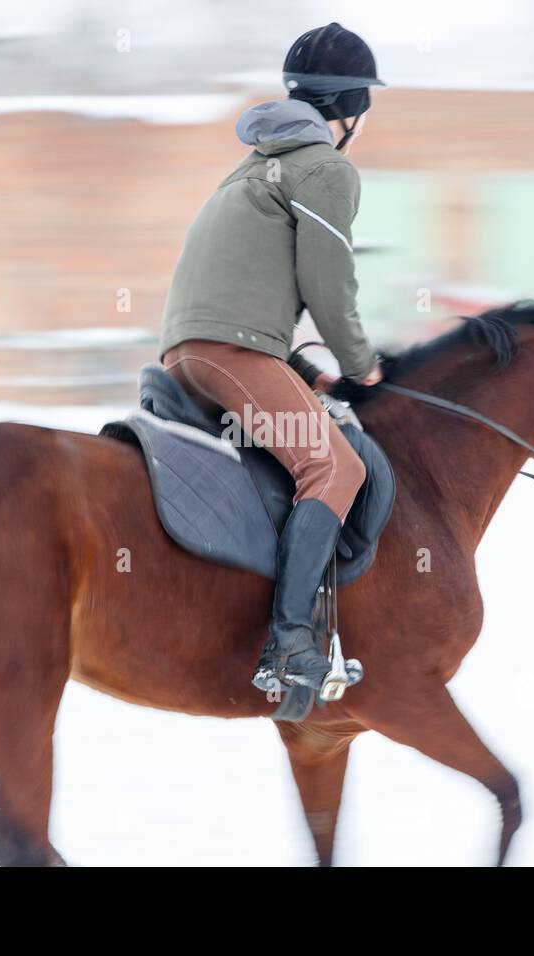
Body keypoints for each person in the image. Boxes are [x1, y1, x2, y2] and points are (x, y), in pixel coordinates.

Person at [159, 22, 385, 695]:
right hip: (228, 349)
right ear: (350, 111)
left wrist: (302, 366)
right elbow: (328, 280)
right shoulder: (327, 168)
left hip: (196, 347)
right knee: (333, 465)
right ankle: (290, 644)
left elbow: (252, 279)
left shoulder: (256, 165)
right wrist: (357, 361)